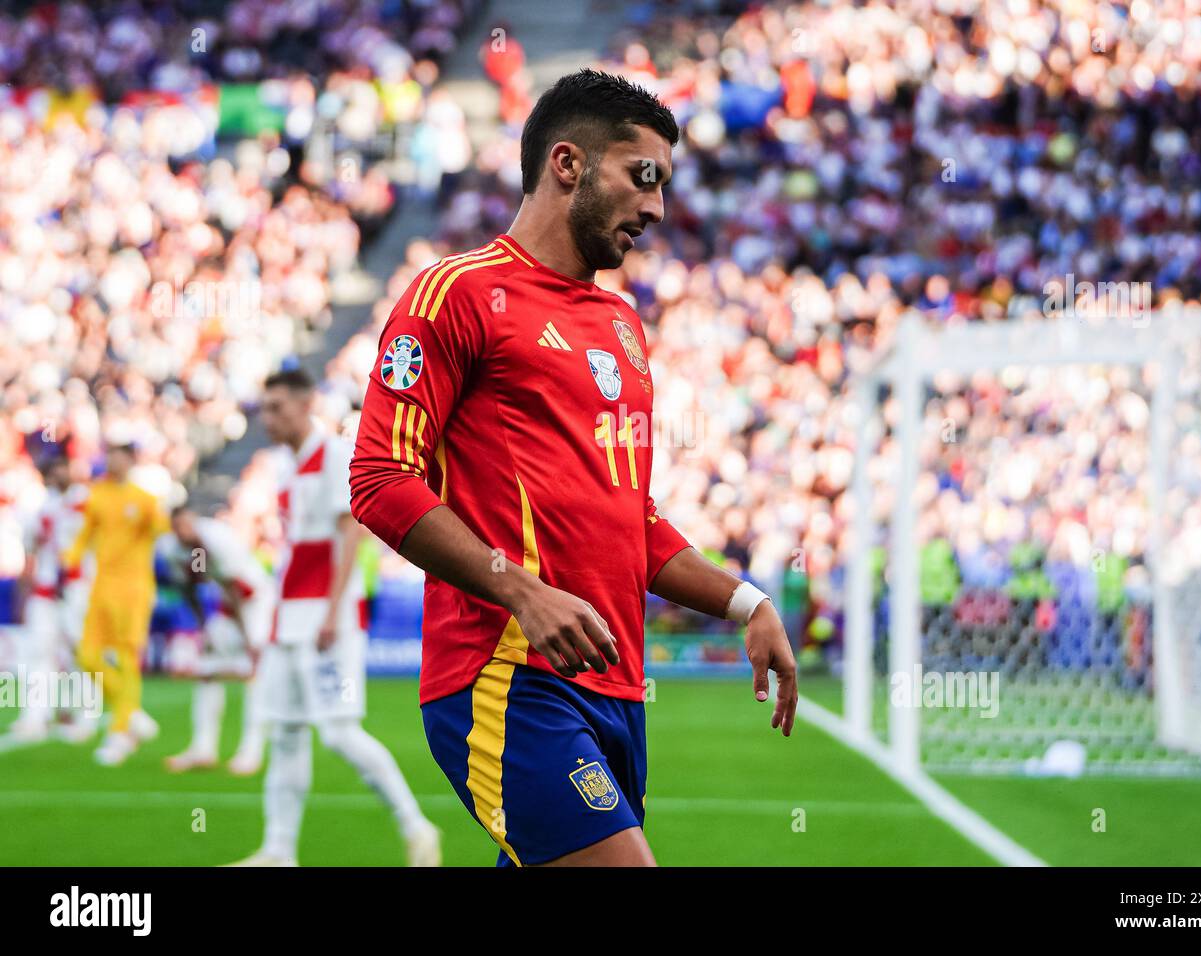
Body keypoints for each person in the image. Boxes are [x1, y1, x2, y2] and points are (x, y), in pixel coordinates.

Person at [350, 70, 799, 867]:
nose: (657, 209)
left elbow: (633, 520)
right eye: (643, 176)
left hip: (616, 686)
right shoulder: (456, 292)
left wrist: (745, 601)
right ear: (568, 164)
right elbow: (381, 477)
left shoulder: (623, 326)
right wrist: (522, 590)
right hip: (508, 672)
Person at [228, 369, 441, 867]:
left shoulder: (331, 454)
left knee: (341, 732)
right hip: (288, 620)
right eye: (266, 408)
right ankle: (278, 850)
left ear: (306, 406)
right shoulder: (284, 464)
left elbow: (351, 532)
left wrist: (330, 610)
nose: (269, 418)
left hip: (328, 620)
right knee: (284, 732)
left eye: (277, 407)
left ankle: (417, 826)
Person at [62, 441, 170, 766]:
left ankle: (120, 731)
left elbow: (161, 530)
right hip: (102, 585)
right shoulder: (98, 494)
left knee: (126, 658)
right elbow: (86, 533)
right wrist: (72, 557)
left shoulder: (145, 499)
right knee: (87, 655)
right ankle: (132, 711)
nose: (113, 462)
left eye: (119, 457)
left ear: (131, 461)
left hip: (134, 588)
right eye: (109, 456)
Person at [161, 504, 272, 775]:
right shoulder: (172, 549)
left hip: (255, 602)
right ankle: (203, 749)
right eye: (177, 527)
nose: (183, 531)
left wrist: (248, 640)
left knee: (254, 674)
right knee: (207, 671)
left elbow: (235, 586)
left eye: (187, 524)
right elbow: (188, 589)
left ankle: (251, 751)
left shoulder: (218, 537)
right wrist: (204, 627)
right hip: (225, 606)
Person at [9, 452, 96, 744]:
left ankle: (83, 714)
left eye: (61, 468)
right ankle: (36, 716)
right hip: (46, 589)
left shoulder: (86, 502)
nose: (57, 475)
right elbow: (30, 552)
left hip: (77, 586)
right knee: (39, 652)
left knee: (81, 653)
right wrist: (24, 590)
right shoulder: (39, 507)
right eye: (52, 470)